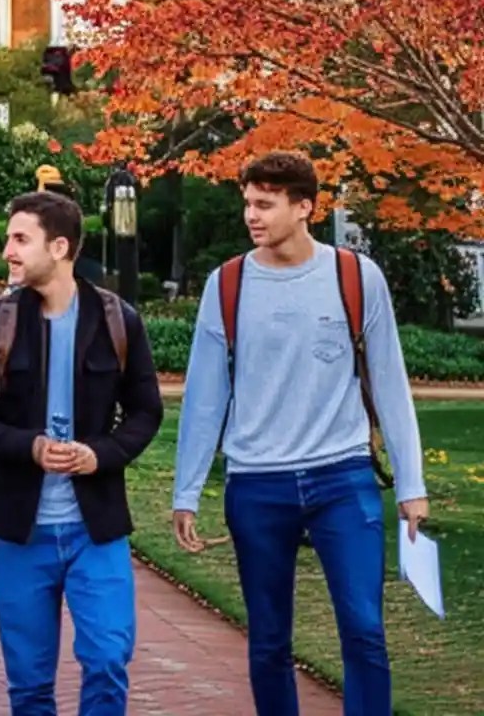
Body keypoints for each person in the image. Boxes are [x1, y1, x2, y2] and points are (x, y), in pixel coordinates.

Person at [171, 152, 428, 716]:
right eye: (247, 204)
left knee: (364, 631)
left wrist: (412, 485)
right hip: (257, 486)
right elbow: (205, 395)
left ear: (305, 206)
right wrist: (185, 490)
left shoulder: (356, 276)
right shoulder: (228, 284)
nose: (251, 216)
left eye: (264, 204)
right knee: (268, 642)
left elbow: (390, 383)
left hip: (344, 479)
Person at [0, 191, 163, 715]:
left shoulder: (119, 320)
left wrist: (102, 454)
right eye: (9, 238)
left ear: (61, 246)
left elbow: (146, 412)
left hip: (96, 529)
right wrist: (30, 447)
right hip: (19, 530)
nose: (8, 250)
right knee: (28, 685)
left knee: (109, 660)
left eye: (21, 239)